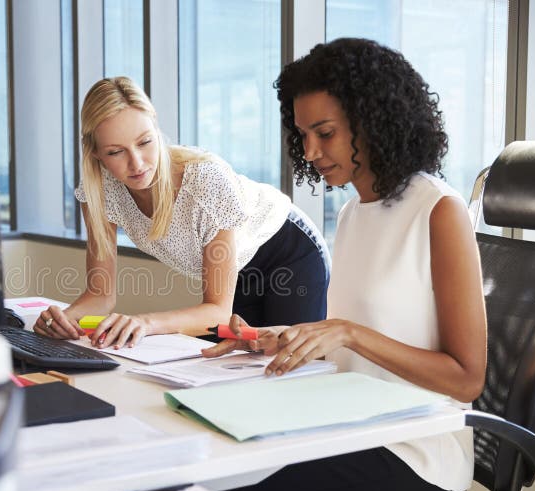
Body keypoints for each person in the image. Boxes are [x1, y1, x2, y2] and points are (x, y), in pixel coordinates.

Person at [202, 38, 487, 491]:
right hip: (352, 424)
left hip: (415, 451)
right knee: (212, 463)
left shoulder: (439, 211)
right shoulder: (355, 213)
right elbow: (351, 341)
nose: (310, 151)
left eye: (325, 133)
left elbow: (466, 379)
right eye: (303, 135)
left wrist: (350, 333)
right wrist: (277, 339)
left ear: (374, 121)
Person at [35, 76, 329, 349]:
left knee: (289, 364)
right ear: (96, 153)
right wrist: (63, 319)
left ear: (156, 127)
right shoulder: (98, 191)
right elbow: (100, 296)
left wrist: (144, 322)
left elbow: (217, 311)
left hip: (289, 254)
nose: (136, 163)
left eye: (145, 142)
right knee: (239, 374)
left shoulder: (205, 181)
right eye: (115, 152)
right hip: (235, 275)